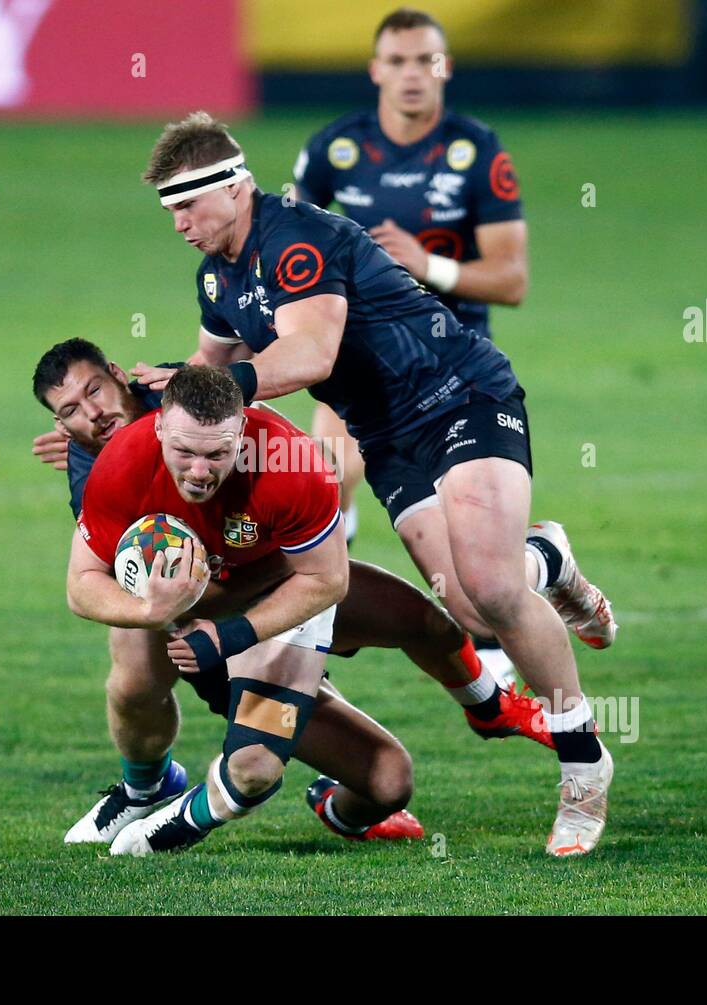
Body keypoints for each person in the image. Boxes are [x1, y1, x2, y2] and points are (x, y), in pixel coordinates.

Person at [133, 113, 616, 855]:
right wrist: (126, 407)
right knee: (470, 607)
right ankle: (545, 560)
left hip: (460, 393)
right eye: (168, 211)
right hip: (389, 436)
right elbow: (204, 384)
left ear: (233, 187)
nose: (178, 224)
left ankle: (584, 767)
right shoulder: (216, 278)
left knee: (489, 586)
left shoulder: (292, 238)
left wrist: (212, 381)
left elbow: (312, 355)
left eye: (187, 205)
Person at [32, 340, 557, 850]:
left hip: (275, 594)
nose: (198, 469)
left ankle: (487, 709)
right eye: (71, 410)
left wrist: (231, 627)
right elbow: (85, 584)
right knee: (136, 687)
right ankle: (144, 789)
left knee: (414, 684)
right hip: (201, 615)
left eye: (94, 390)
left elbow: (326, 580)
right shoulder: (114, 466)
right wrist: (155, 609)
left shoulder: (281, 456)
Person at [291, 7, 541, 679]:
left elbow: (512, 279)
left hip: (452, 371)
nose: (411, 75)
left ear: (445, 69)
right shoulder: (332, 151)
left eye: (425, 60)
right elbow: (287, 244)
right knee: (323, 473)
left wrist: (426, 266)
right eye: (397, 61)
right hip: (360, 362)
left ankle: (521, 584)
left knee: (472, 547)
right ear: (375, 70)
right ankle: (320, 621)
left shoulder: (476, 152)